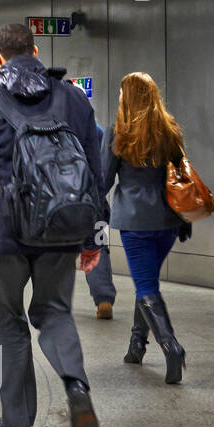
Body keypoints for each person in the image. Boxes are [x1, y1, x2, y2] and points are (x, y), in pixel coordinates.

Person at [0, 23, 104, 427]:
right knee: (54, 314)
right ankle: (77, 388)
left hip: (5, 236)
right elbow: (94, 172)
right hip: (62, 229)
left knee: (10, 324)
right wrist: (93, 239)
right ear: (35, 50)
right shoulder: (72, 97)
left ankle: (16, 423)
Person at [102, 72, 192, 384]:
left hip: (135, 223)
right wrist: (182, 220)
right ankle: (136, 346)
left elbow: (103, 180)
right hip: (167, 222)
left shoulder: (118, 134)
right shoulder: (170, 131)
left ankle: (171, 347)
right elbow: (181, 177)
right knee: (147, 282)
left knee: (146, 288)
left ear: (127, 98)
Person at [84, 123, 117, 319]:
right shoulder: (96, 131)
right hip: (95, 202)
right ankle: (104, 299)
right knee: (99, 246)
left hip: (58, 203)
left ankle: (50, 305)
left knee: (52, 253)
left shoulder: (48, 130)